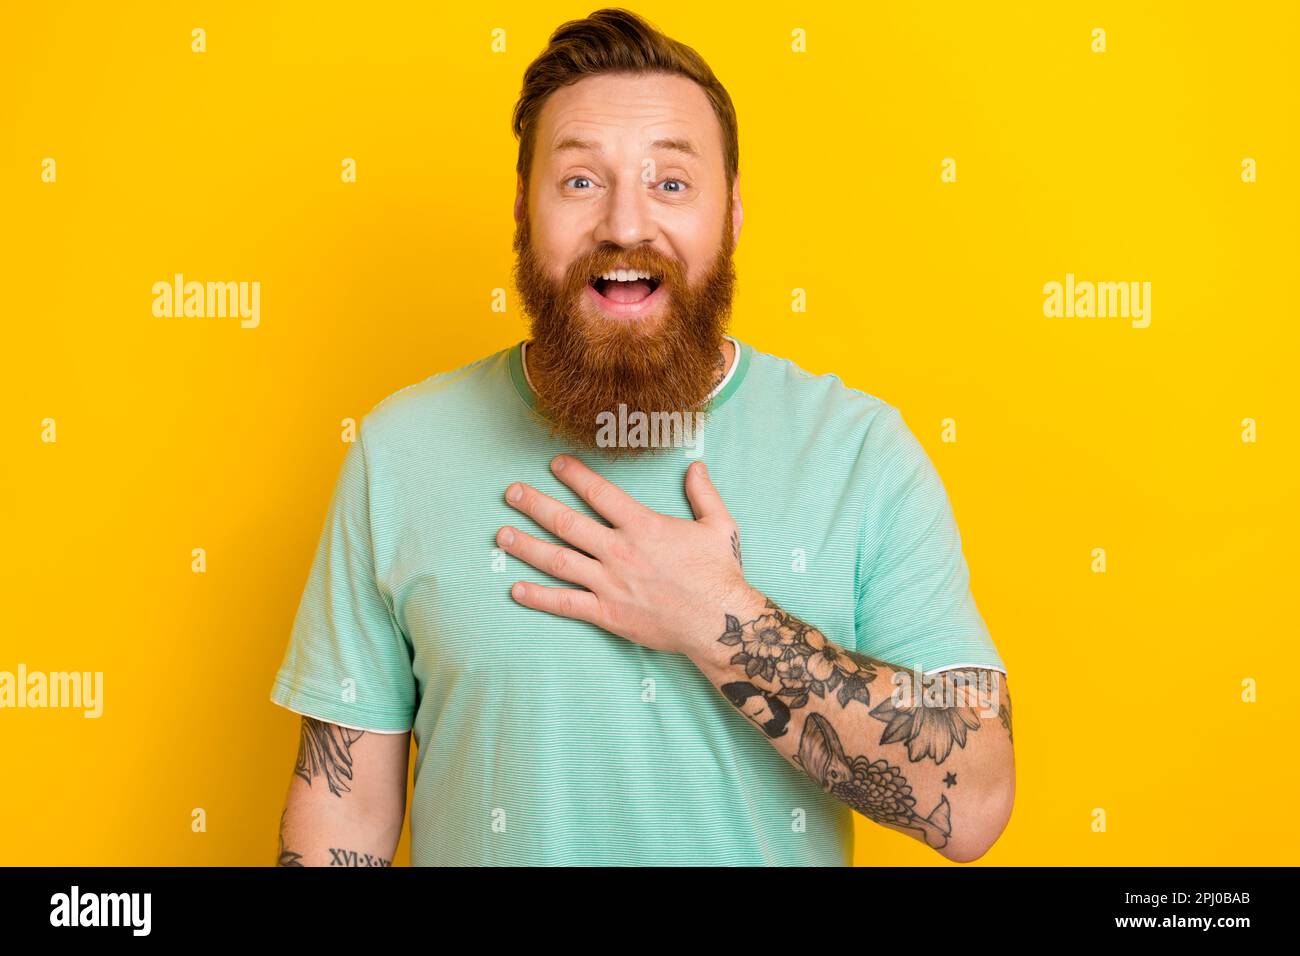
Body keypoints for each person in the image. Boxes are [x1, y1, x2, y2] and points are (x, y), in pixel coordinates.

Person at [270, 7, 1014, 867]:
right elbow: (343, 824)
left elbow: (974, 802)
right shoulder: (401, 454)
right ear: (522, 212)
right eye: (580, 181)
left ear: (730, 216)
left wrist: (716, 617)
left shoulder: (858, 453)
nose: (625, 225)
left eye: (670, 182)